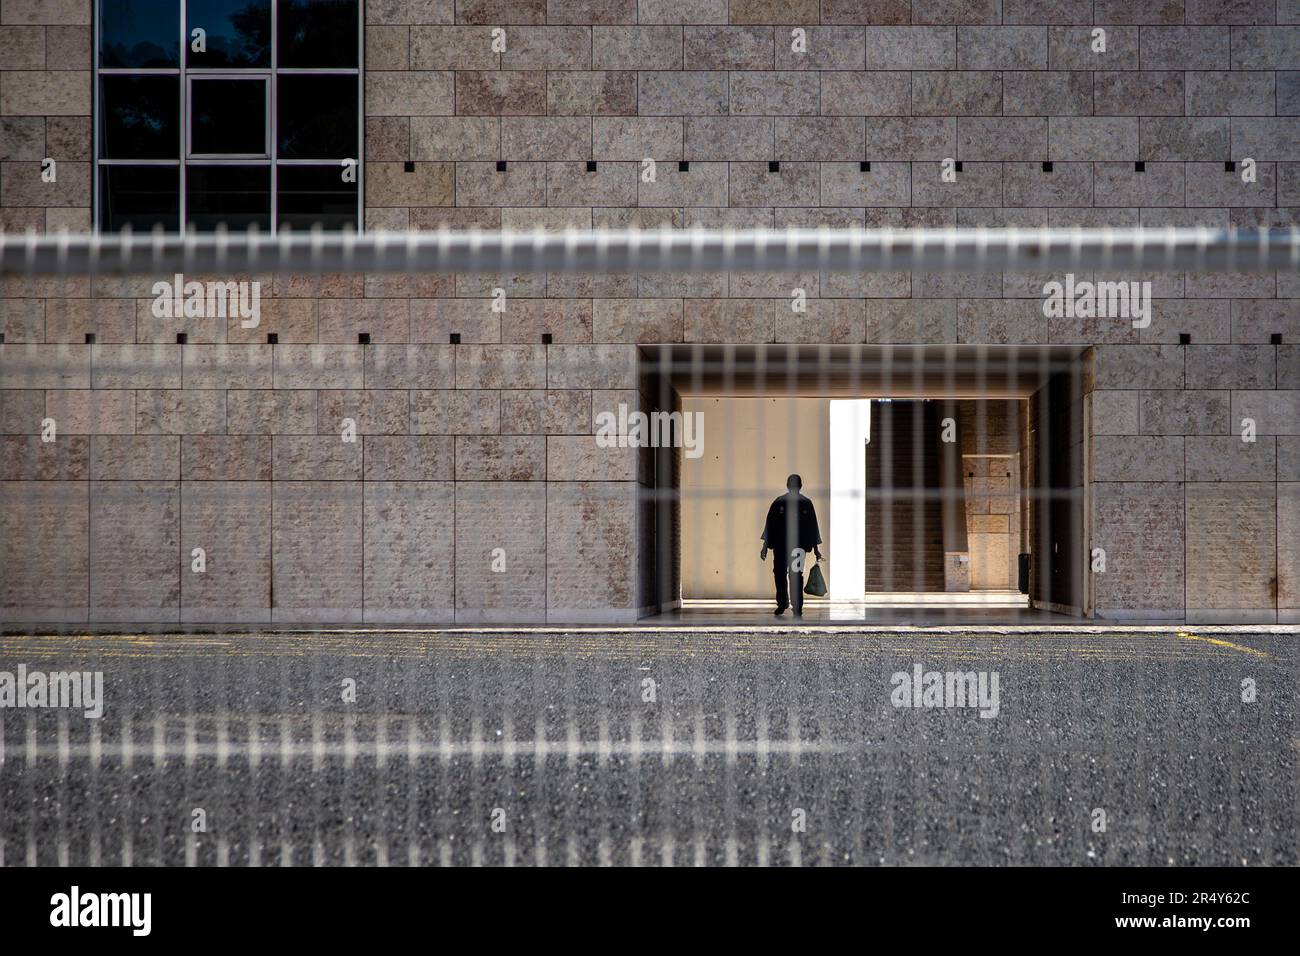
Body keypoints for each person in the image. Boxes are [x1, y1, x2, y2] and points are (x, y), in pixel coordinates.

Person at [760, 474, 822, 617]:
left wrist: (764, 547)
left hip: (789, 547)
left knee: (783, 575)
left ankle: (787, 605)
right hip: (790, 547)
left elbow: (812, 527)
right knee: (792, 575)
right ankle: (793, 606)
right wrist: (816, 550)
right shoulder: (799, 503)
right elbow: (771, 524)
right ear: (801, 486)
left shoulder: (783, 502)